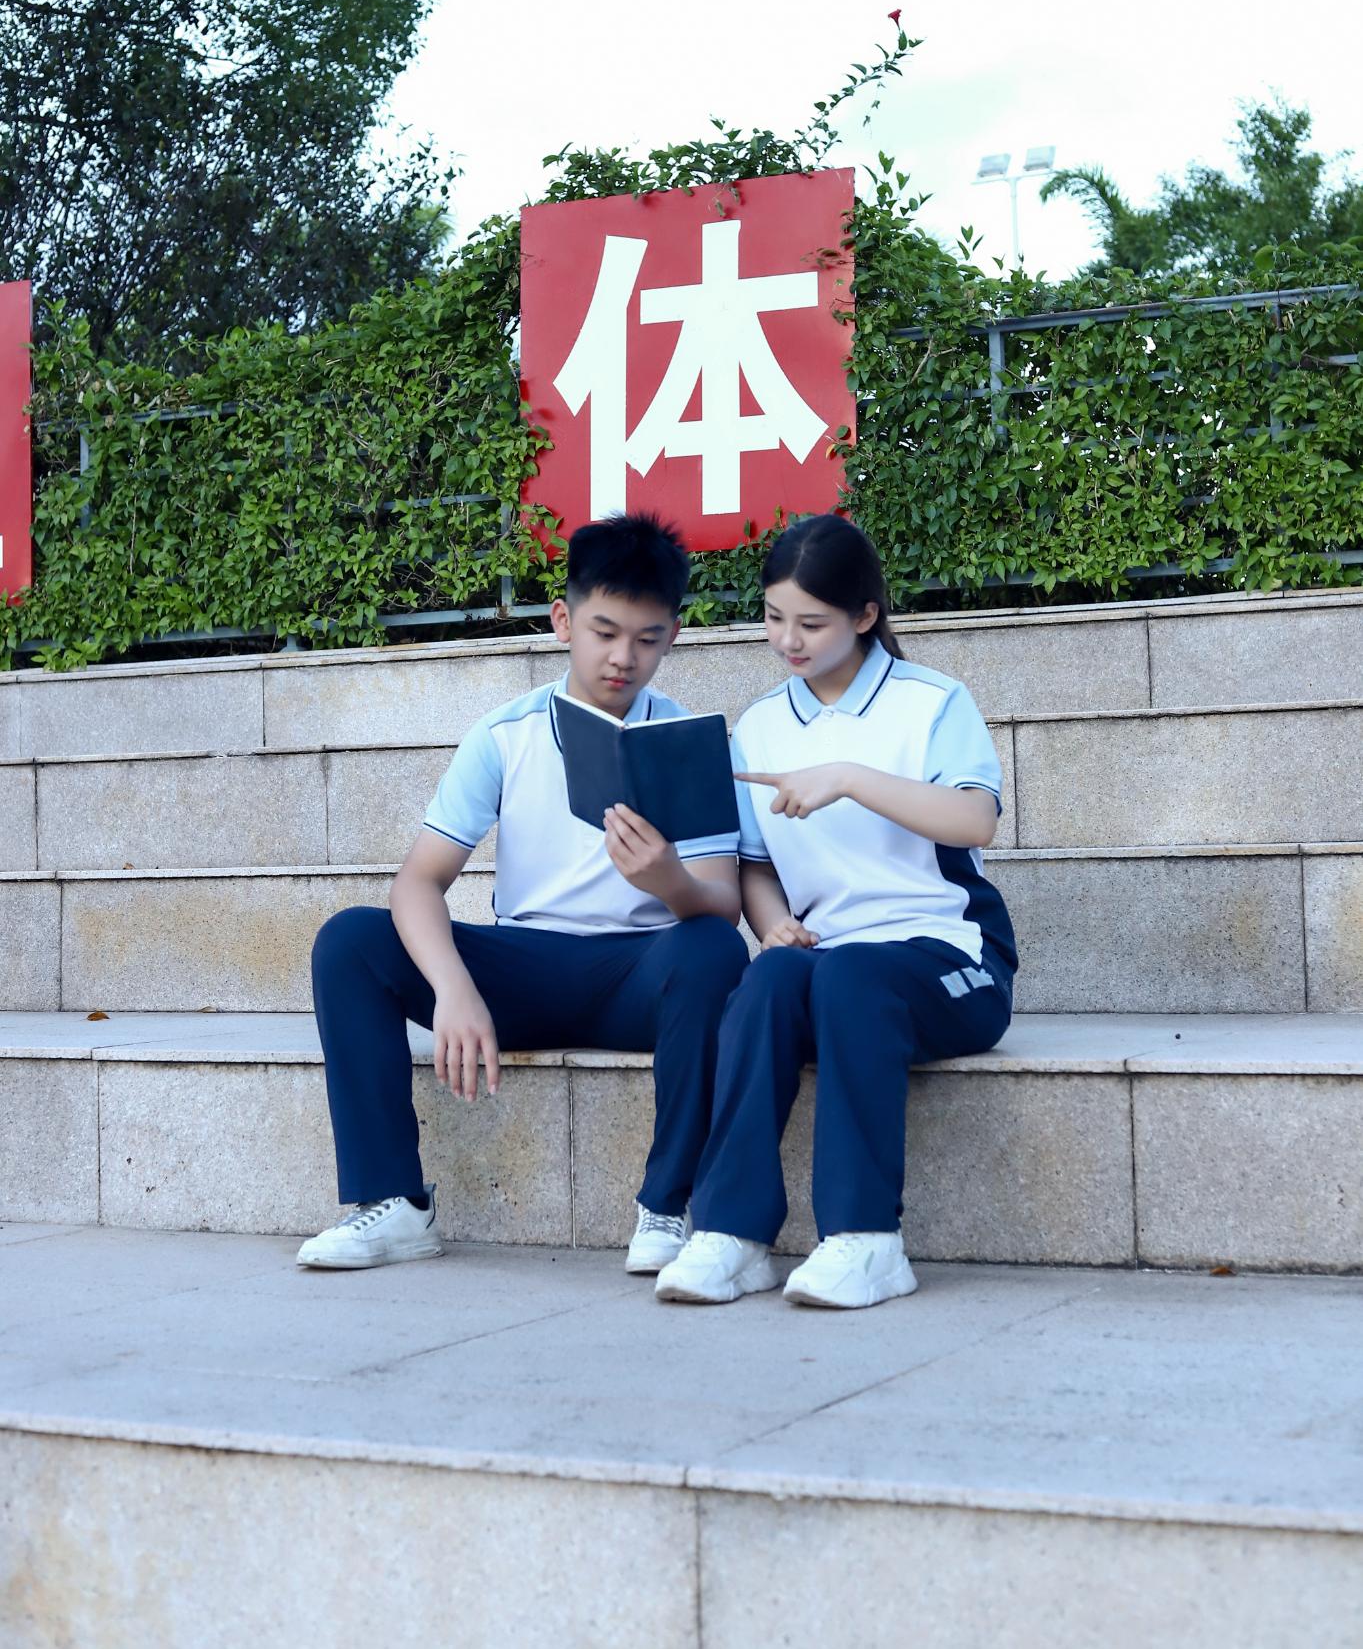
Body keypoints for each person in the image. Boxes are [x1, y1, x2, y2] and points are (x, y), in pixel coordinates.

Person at [298, 512, 747, 1274]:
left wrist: (667, 880)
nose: (623, 657)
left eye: (646, 638)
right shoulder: (506, 733)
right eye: (604, 632)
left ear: (672, 636)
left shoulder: (689, 741)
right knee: (351, 940)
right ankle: (393, 1203)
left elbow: (723, 903)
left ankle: (667, 1208)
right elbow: (419, 881)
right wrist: (453, 989)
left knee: (711, 949)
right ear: (562, 620)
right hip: (524, 968)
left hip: (641, 975)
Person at [657, 514, 1017, 1311]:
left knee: (850, 975)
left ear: (863, 616)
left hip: (950, 961)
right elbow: (755, 866)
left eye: (811, 623)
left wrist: (849, 775)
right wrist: (772, 924)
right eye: (773, 617)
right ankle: (732, 1235)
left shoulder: (931, 702)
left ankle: (866, 1240)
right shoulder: (759, 725)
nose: (788, 639)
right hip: (829, 964)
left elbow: (974, 821)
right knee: (767, 979)